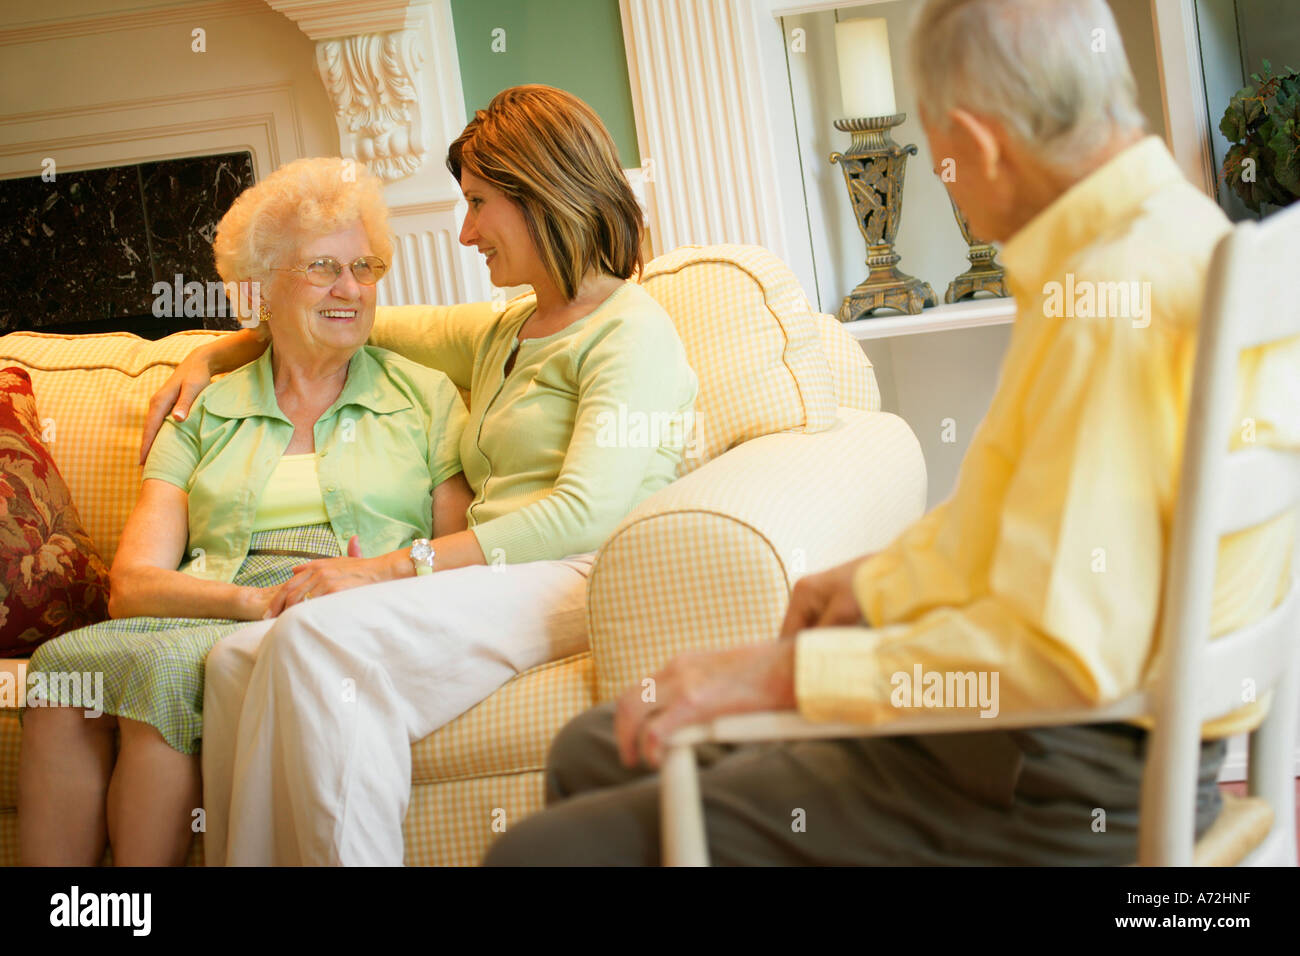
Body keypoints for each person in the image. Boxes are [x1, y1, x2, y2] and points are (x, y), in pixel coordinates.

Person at [484, 0, 1300, 866]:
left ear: (979, 144)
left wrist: (773, 674)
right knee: (595, 746)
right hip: (1071, 749)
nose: (946, 176)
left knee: (539, 856)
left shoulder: (1107, 301)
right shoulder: (1176, 235)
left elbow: (1057, 660)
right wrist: (880, 581)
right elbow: (1049, 533)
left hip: (1050, 785)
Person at [140, 85, 698, 865]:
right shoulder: (510, 326)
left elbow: (583, 512)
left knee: (312, 642)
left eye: (477, 203)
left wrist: (389, 569)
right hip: (490, 578)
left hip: (570, 573)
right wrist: (211, 352)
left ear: (539, 193)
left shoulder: (629, 332)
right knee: (237, 658)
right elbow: (342, 320)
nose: (466, 233)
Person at [18, 156, 473, 866]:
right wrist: (250, 601)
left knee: (165, 670)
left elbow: (457, 554)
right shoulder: (205, 410)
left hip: (345, 600)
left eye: (366, 266)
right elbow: (132, 584)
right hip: (223, 601)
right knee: (58, 665)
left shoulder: (424, 396)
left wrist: (379, 581)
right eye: (324, 267)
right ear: (258, 291)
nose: (351, 289)